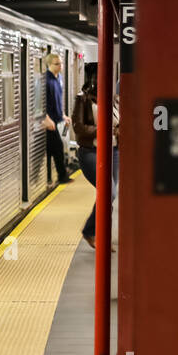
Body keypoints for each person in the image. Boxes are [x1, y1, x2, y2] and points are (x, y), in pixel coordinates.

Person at [73, 63, 120, 250]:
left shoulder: (115, 100)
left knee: (108, 196)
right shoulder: (83, 100)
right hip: (91, 153)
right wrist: (103, 130)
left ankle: (94, 232)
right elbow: (78, 127)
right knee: (110, 193)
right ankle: (93, 232)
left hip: (114, 152)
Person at [42, 53, 72, 183]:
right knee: (57, 147)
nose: (60, 66)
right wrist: (46, 118)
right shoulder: (45, 81)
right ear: (49, 65)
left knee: (60, 145)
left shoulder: (59, 78)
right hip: (50, 122)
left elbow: (58, 100)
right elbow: (40, 102)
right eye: (57, 64)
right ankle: (62, 176)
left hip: (59, 120)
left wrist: (63, 114)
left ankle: (61, 173)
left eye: (61, 63)